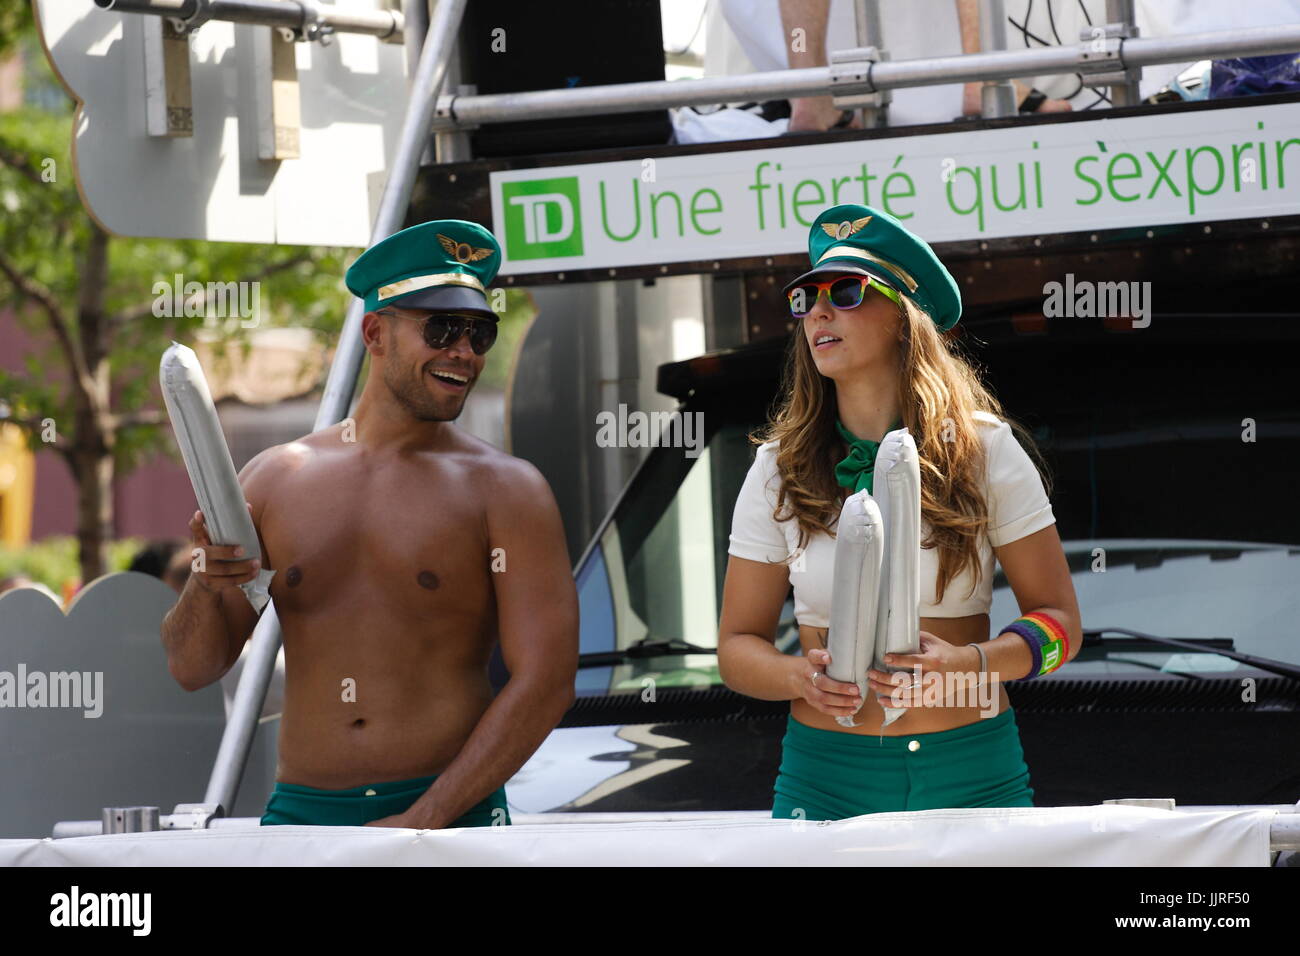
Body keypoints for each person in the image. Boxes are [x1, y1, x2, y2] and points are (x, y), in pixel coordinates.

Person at [161, 219, 579, 829]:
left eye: (478, 332)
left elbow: (546, 680)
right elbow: (192, 669)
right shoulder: (276, 479)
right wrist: (206, 580)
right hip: (302, 818)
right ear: (375, 332)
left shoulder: (506, 490)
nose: (462, 351)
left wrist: (424, 819)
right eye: (440, 329)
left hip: (450, 823)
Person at [717, 203, 1081, 820]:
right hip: (823, 781)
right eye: (807, 298)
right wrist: (798, 678)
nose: (819, 312)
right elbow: (735, 647)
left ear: (905, 319)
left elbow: (1062, 628)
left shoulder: (986, 449)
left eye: (848, 291)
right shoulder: (777, 465)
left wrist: (970, 665)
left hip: (974, 772)